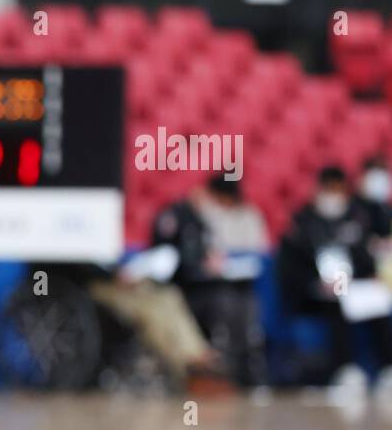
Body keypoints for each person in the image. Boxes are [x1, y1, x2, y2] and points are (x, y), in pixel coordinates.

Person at [278, 166, 392, 393]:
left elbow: (363, 259)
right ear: (318, 190)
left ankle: (387, 368)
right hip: (316, 295)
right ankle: (345, 370)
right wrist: (316, 284)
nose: (334, 196)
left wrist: (370, 275)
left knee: (379, 304)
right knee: (337, 305)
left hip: (352, 289)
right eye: (330, 190)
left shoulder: (356, 220)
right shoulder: (301, 225)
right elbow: (290, 271)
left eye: (339, 190)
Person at [151, 175, 269, 386]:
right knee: (217, 302)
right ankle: (201, 365)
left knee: (242, 306)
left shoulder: (246, 216)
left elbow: (256, 254)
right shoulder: (196, 216)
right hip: (197, 287)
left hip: (235, 285)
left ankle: (242, 370)